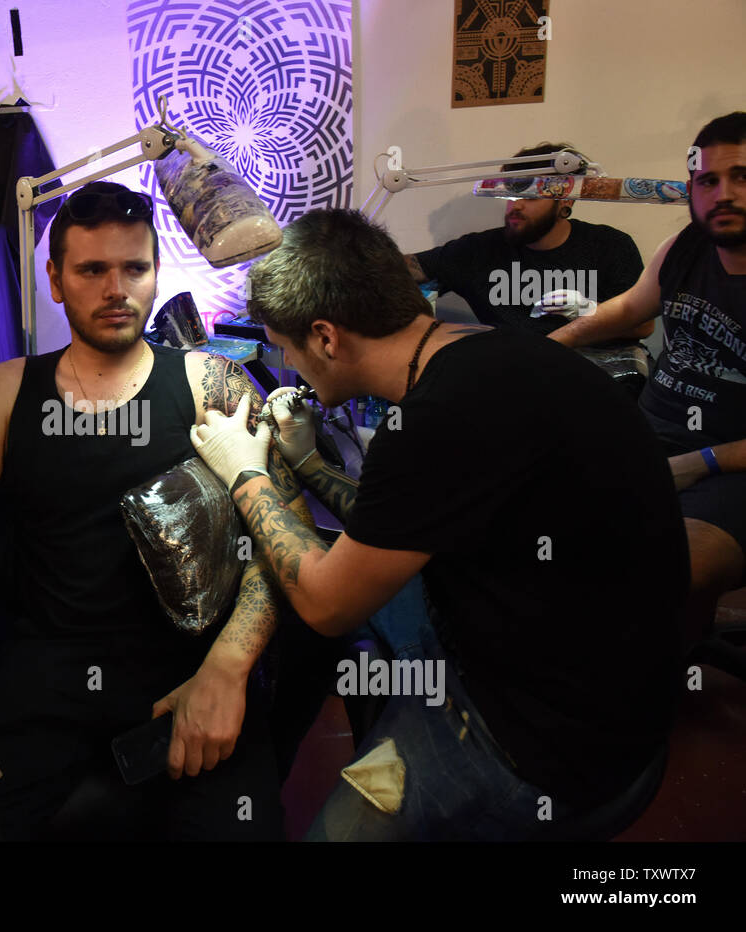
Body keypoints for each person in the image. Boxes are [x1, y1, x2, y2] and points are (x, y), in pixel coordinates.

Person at [191, 207, 688, 840]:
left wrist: (245, 472)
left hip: (549, 744)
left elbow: (324, 601)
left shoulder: (436, 421)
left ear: (326, 336)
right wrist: (311, 464)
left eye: (286, 350)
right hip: (620, 689)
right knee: (336, 623)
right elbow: (399, 523)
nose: (290, 368)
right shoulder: (485, 351)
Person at [0, 181, 314, 841]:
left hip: (186, 673)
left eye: (135, 268)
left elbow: (285, 536)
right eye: (92, 270)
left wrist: (230, 665)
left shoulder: (209, 381)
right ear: (56, 279)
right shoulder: (6, 391)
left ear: (157, 274)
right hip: (45, 673)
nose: (115, 288)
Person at [550, 112, 746, 643]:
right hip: (650, 437)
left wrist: (696, 463)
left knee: (666, 570)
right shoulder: (686, 249)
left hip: (732, 468)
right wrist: (548, 347)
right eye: (708, 181)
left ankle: (647, 693)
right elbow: (629, 308)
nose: (723, 194)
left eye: (741, 177)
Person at [404, 143, 650, 341]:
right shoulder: (479, 251)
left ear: (566, 201)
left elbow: (643, 326)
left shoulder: (610, 246)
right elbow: (407, 268)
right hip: (514, 376)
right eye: (511, 195)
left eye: (531, 196)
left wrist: (588, 310)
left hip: (591, 377)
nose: (516, 206)